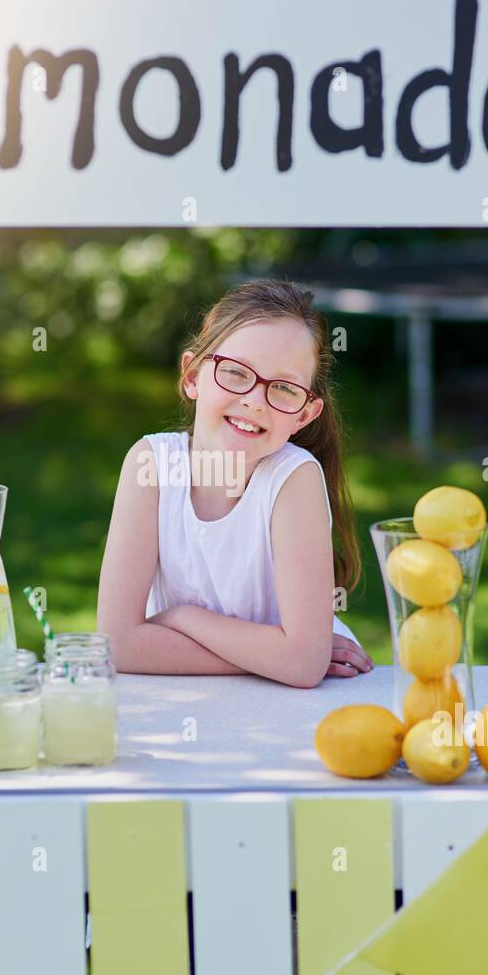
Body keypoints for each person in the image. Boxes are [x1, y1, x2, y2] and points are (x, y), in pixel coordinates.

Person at [97, 278, 373, 688]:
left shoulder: (292, 480)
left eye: (283, 388)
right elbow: (117, 645)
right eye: (236, 373)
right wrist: (271, 657)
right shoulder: (152, 464)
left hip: (294, 710)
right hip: (194, 699)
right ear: (192, 376)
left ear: (305, 414)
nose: (255, 400)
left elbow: (301, 665)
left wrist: (180, 618)